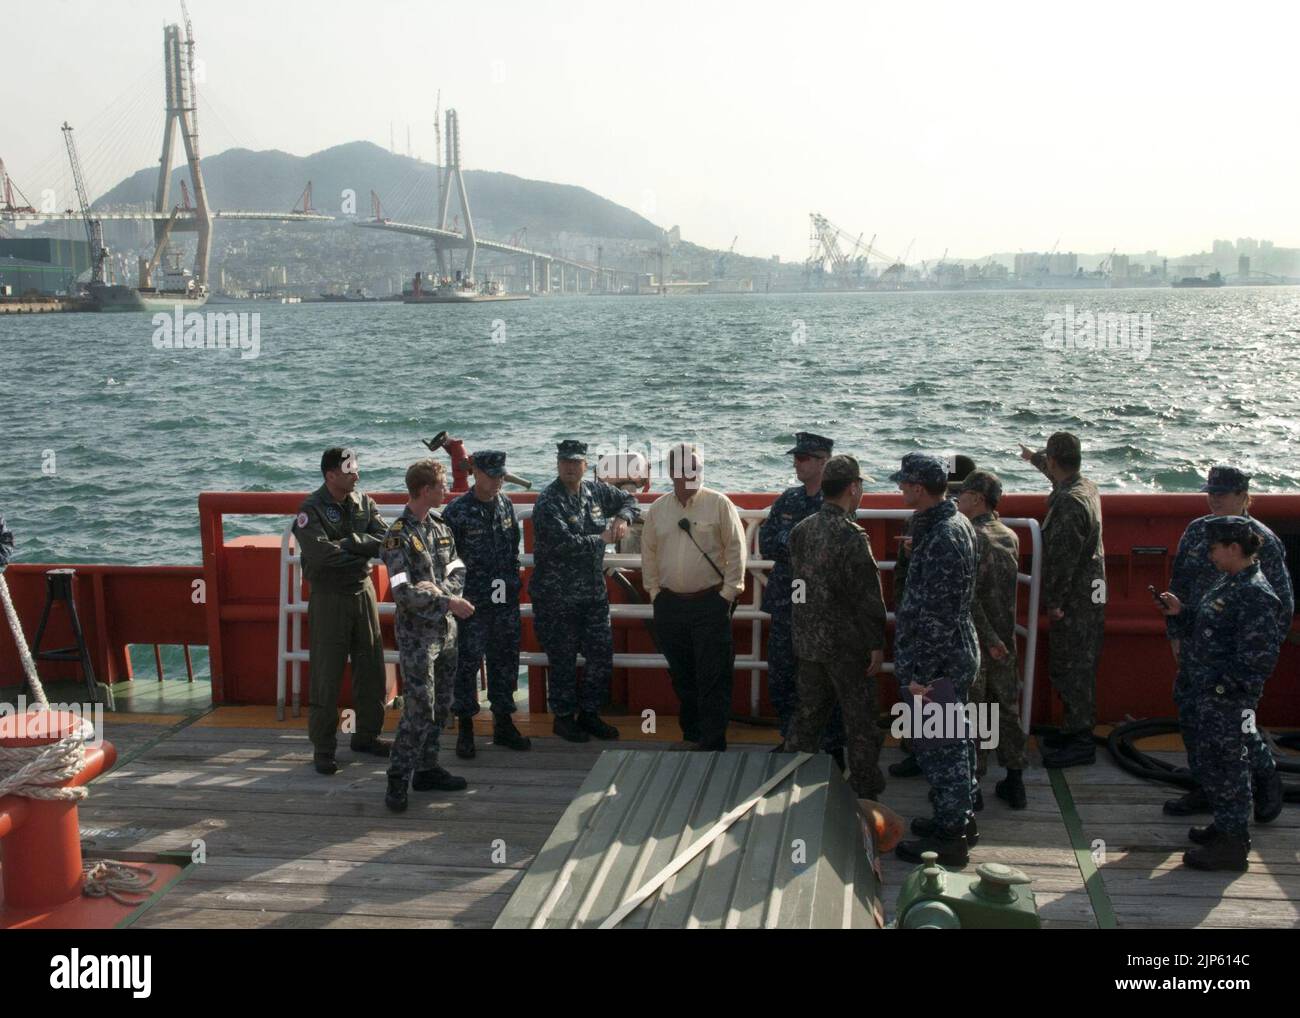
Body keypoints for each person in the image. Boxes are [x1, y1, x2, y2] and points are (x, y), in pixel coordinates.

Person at [1163, 465, 1293, 823]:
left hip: (1235, 656)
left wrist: (1258, 655)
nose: (1214, 499)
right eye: (1210, 492)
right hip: (1196, 646)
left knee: (1236, 726)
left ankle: (1266, 779)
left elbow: (1281, 603)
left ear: (1243, 495)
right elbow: (1181, 585)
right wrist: (1175, 632)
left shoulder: (1262, 541)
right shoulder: (1196, 533)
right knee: (1192, 718)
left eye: (1222, 493)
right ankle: (1207, 787)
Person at [1157, 516, 1283, 871]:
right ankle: (1225, 827)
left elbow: (1259, 658)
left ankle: (1233, 843)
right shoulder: (1229, 583)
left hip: (1226, 699)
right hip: (1207, 693)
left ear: (1233, 549)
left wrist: (1222, 688)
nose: (1209, 555)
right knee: (1214, 765)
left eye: (1214, 549)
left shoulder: (1255, 593)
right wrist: (1182, 611)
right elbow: (1211, 623)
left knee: (1230, 767)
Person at [890, 454, 980, 866]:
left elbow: (938, 615)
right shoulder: (952, 524)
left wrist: (922, 677)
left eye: (905, 485)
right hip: (953, 650)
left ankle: (952, 834)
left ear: (919, 489)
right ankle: (959, 817)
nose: (901, 490)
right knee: (955, 741)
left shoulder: (944, 535)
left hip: (938, 659)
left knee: (943, 747)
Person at [786, 455, 887, 797]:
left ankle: (789, 778)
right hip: (846, 647)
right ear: (853, 488)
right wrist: (875, 643)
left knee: (807, 717)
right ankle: (864, 790)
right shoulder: (853, 536)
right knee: (859, 722)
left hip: (808, 642)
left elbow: (799, 586)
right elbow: (868, 597)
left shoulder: (801, 531)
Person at [380, 460, 475, 810]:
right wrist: (447, 599)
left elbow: (457, 569)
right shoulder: (397, 537)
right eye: (441, 484)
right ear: (424, 490)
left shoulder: (441, 527)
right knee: (419, 707)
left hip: (445, 631)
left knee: (441, 706)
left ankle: (428, 767)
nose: (447, 489)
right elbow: (403, 592)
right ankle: (397, 777)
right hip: (418, 637)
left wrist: (438, 592)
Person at [529, 439, 638, 742]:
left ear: (584, 466)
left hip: (592, 594)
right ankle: (563, 719)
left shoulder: (595, 491)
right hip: (557, 596)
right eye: (564, 461)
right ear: (557, 464)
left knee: (601, 655)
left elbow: (630, 501)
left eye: (575, 462)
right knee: (562, 659)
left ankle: (590, 714)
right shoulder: (548, 502)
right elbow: (563, 545)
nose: (568, 466)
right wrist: (603, 538)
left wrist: (623, 517)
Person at [641, 443, 748, 751]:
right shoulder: (659, 510)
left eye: (697, 468)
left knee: (713, 676)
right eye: (687, 469)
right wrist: (655, 594)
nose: (693, 475)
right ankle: (691, 735)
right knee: (682, 675)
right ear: (673, 472)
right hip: (670, 605)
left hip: (710, 604)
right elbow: (648, 553)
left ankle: (713, 741)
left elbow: (737, 551)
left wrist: (726, 596)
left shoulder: (719, 504)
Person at [293, 447, 391, 775]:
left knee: (371, 667)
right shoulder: (311, 509)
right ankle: (323, 747)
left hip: (363, 592)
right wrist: (360, 549)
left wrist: (348, 542)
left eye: (356, 468)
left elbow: (385, 540)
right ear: (330, 474)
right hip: (329, 596)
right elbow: (322, 556)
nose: (357, 474)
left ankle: (366, 735)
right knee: (327, 674)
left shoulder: (365, 503)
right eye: (349, 470)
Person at [1020, 432, 1105, 769]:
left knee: (1073, 668)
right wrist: (1032, 459)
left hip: (1076, 599)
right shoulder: (1085, 486)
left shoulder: (1069, 503)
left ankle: (1081, 739)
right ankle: (1073, 730)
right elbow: (1057, 473)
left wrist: (1054, 601)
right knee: (1080, 665)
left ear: (1054, 460)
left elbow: (1062, 558)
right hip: (1091, 592)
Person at [759, 432, 844, 758]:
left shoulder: (837, 503)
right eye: (795, 457)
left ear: (824, 462)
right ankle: (793, 739)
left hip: (822, 609)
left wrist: (791, 540)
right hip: (786, 604)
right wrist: (798, 541)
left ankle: (832, 747)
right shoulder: (788, 499)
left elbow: (831, 549)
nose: (797, 463)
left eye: (804, 458)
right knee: (781, 677)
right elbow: (767, 543)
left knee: (824, 680)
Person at [442, 450, 530, 759]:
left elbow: (512, 549)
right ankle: (465, 728)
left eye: (501, 476)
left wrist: (513, 582)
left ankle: (503, 722)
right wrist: (456, 598)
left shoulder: (506, 505)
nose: (497, 482)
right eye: (492, 476)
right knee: (467, 664)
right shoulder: (456, 512)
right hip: (472, 603)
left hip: (503, 601)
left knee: (505, 660)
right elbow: (448, 562)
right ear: (475, 473)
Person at [957, 470, 1029, 809]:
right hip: (1005, 637)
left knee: (974, 711)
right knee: (1005, 710)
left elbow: (968, 597)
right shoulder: (1010, 536)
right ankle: (1015, 780)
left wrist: (987, 639)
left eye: (964, 493)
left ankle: (972, 787)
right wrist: (1000, 640)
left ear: (977, 498)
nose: (959, 498)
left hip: (979, 638)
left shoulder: (971, 537)